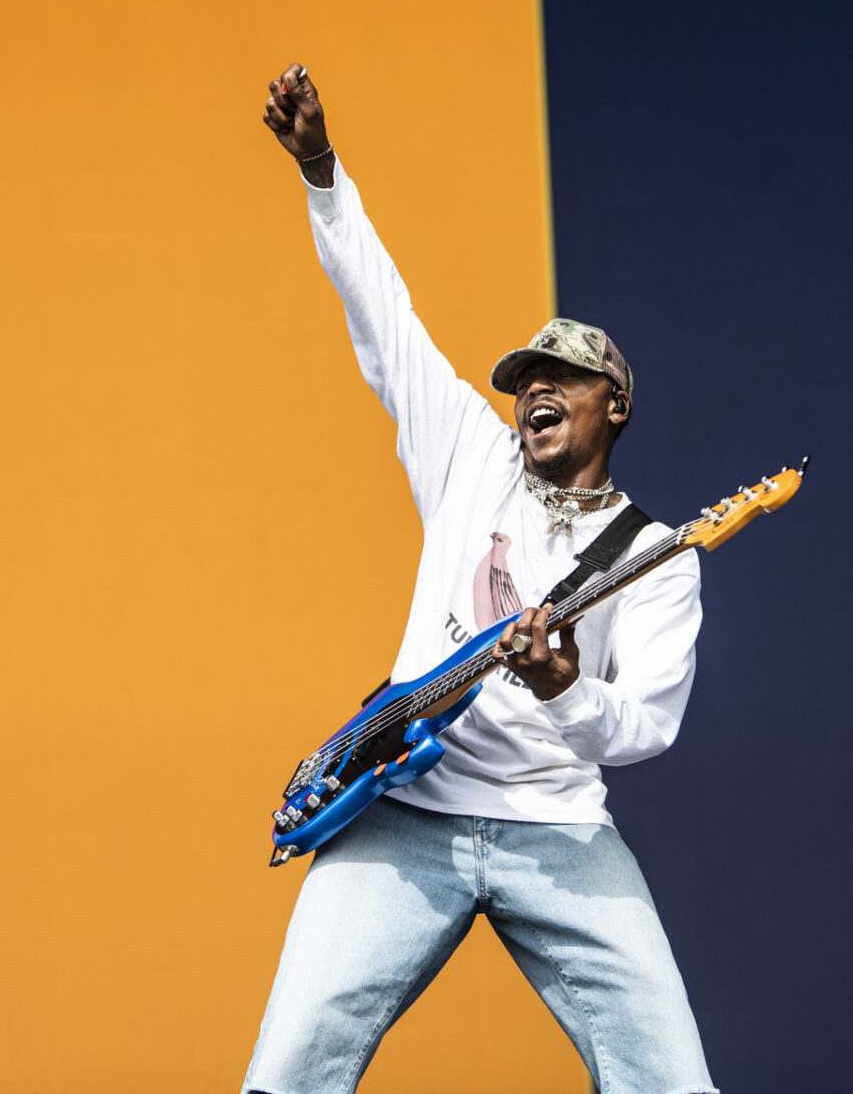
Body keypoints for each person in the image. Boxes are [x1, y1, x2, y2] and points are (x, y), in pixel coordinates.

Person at [245, 62, 717, 1094]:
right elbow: (384, 313)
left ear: (617, 404)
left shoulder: (661, 551)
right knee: (287, 1072)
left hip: (559, 829)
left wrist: (564, 688)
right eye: (523, 381)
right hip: (408, 812)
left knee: (673, 1081)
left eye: (562, 376)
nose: (534, 388)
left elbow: (646, 728)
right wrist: (323, 172)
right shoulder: (467, 451)